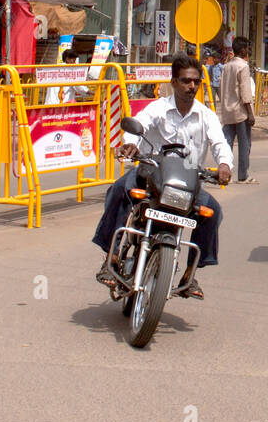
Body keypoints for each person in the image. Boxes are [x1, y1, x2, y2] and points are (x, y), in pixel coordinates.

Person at [93, 56, 233, 301]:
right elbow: (140, 126)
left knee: (213, 211)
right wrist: (130, 145)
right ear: (173, 82)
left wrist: (224, 165)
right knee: (120, 190)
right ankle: (111, 259)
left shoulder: (206, 115)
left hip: (187, 182)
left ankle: (190, 275)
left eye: (196, 82)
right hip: (152, 176)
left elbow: (220, 142)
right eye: (185, 81)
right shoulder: (158, 108)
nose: (191, 86)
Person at [218, 36, 256, 183]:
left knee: (226, 144)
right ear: (242, 50)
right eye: (247, 47)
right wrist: (251, 114)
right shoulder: (243, 66)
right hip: (241, 112)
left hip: (228, 111)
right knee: (244, 144)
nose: (248, 50)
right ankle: (243, 175)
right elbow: (245, 92)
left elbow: (222, 88)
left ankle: (224, 171)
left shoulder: (226, 66)